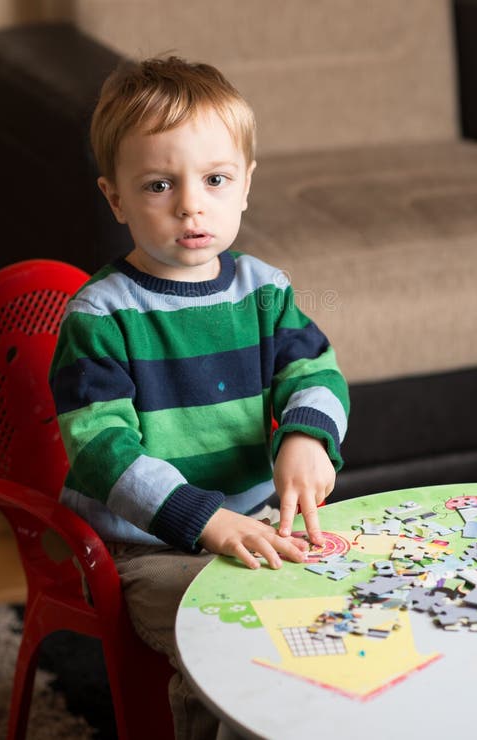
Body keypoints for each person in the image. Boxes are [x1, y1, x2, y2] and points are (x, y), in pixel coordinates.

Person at [49, 56, 350, 739]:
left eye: (214, 180)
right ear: (116, 198)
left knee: (333, 614)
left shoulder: (263, 290)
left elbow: (316, 372)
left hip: (255, 522)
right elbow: (101, 449)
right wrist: (202, 521)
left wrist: (305, 435)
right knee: (223, 639)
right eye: (159, 184)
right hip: (146, 546)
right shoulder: (100, 315)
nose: (191, 204)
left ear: (244, 185)